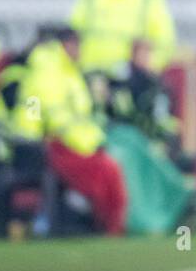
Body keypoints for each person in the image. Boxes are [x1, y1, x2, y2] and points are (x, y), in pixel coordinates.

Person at [7, 27, 127, 235]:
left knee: (109, 167)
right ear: (67, 45)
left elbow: (78, 116)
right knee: (106, 170)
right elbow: (56, 119)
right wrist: (88, 143)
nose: (80, 51)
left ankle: (104, 225)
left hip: (69, 142)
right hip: (45, 144)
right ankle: (106, 226)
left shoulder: (66, 70)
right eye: (77, 45)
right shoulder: (49, 68)